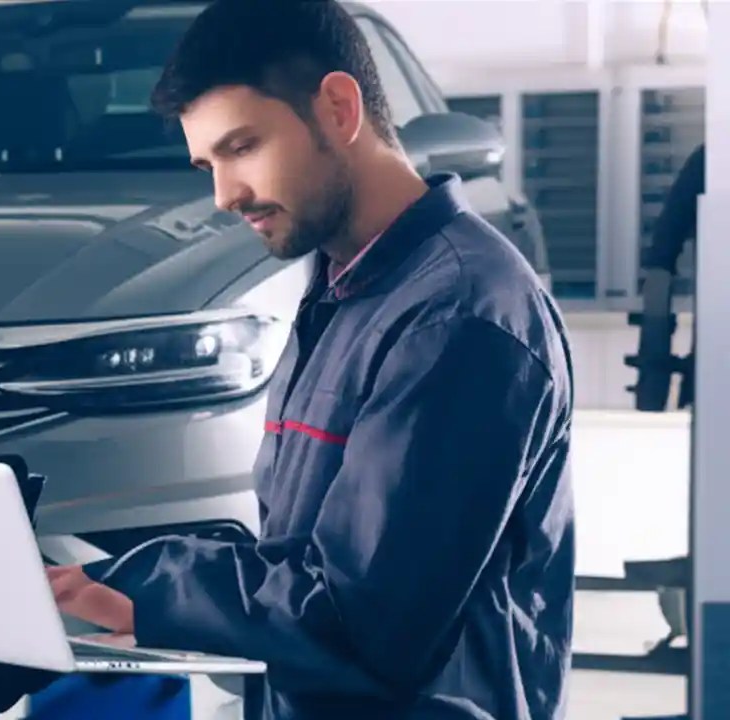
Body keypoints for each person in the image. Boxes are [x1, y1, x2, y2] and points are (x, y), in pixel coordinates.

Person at [45, 1, 577, 718]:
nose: (224, 196)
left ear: (337, 107)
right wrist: (105, 589)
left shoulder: (458, 318)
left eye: (241, 148)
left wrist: (145, 588)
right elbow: (299, 559)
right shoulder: (341, 289)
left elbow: (362, 618)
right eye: (208, 164)